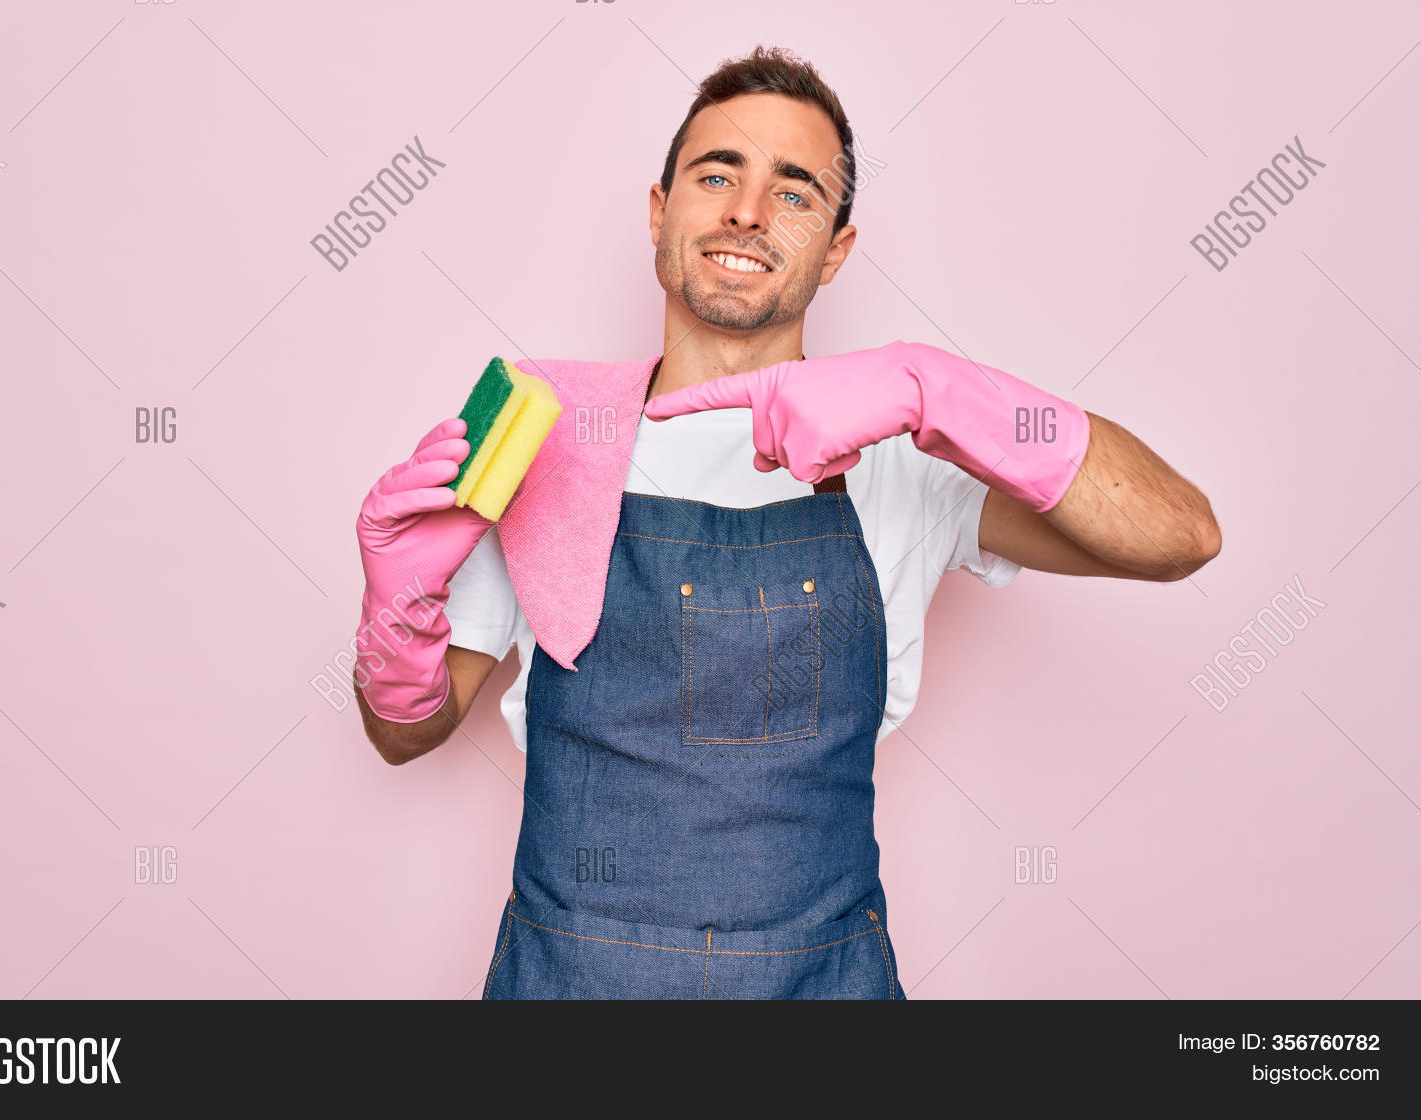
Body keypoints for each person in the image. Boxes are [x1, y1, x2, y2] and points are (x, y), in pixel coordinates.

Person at [351, 46, 1221, 999]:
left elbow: (1179, 534)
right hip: (568, 982)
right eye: (716, 173)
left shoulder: (906, 457)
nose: (747, 213)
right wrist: (396, 610)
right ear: (659, 210)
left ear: (837, 251)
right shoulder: (544, 437)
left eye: (796, 193)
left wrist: (937, 388)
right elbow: (406, 737)